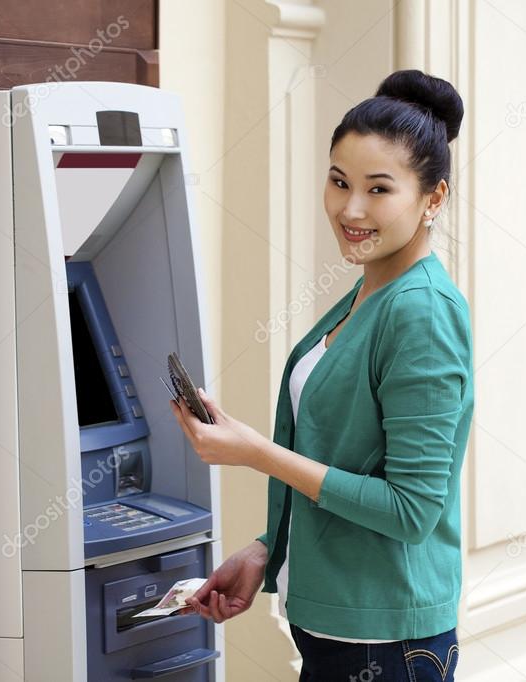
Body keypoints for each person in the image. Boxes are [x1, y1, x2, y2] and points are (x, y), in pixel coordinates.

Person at [168, 69, 472, 682]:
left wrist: (256, 453)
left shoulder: (421, 313)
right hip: (339, 632)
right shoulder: (370, 291)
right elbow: (344, 461)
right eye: (339, 181)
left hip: (387, 644)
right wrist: (267, 550)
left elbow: (411, 509)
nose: (350, 209)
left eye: (379, 190)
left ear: (433, 198)